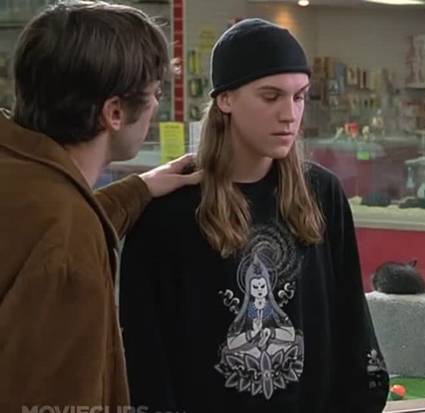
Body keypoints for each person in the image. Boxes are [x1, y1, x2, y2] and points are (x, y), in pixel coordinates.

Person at [118, 18, 389, 413]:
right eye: (270, 96)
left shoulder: (321, 194)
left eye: (299, 97)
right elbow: (146, 353)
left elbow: (350, 317)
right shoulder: (168, 211)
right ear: (225, 99)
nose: (290, 114)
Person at [0, 2, 200, 411]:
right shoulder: (66, 234)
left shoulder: (22, 179)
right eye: (155, 94)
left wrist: (137, 190)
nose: (156, 106)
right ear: (114, 112)